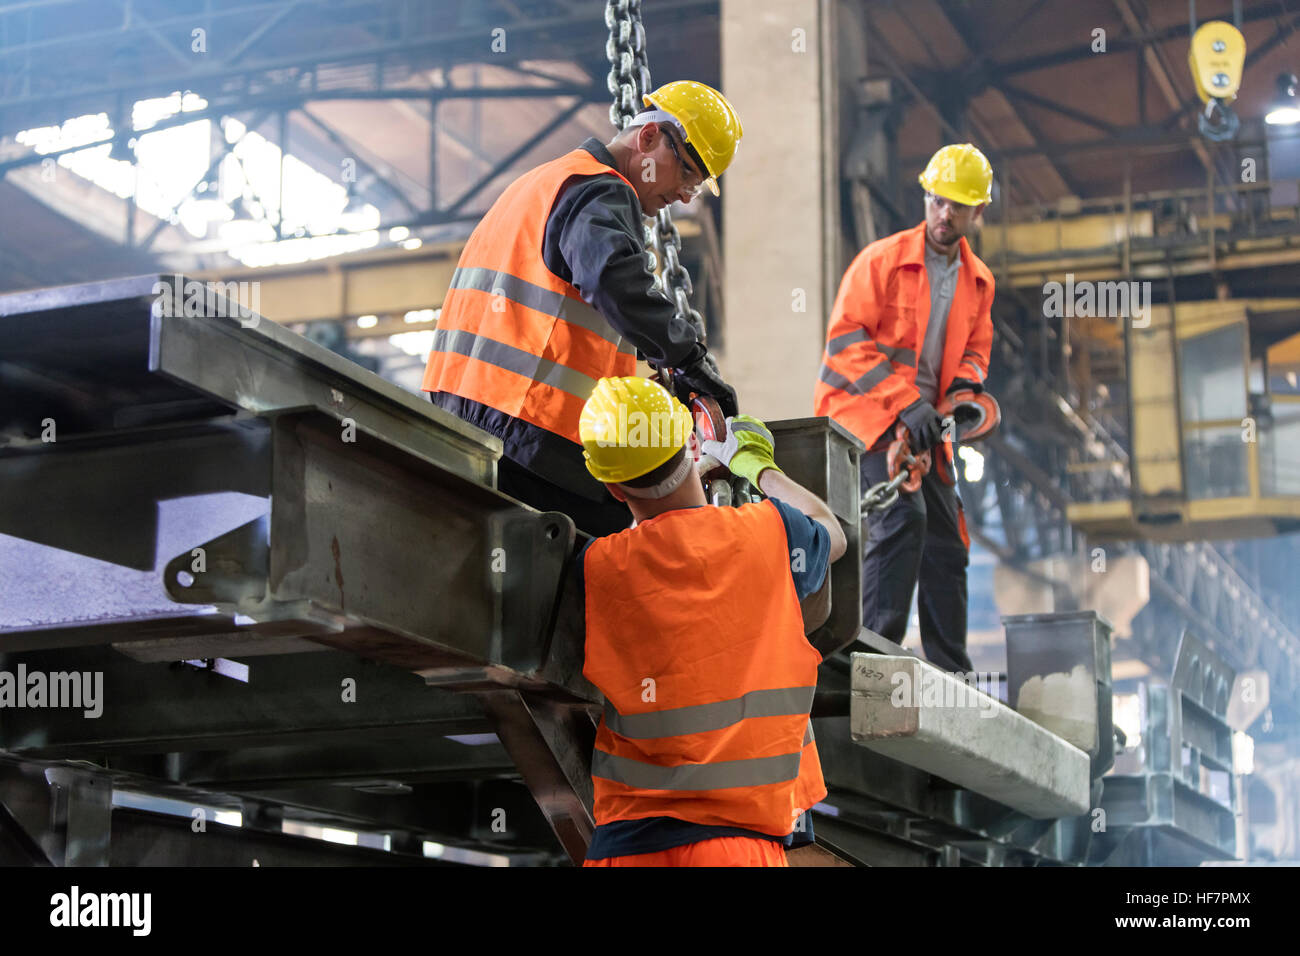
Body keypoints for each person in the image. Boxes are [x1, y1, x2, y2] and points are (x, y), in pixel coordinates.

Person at [422, 81, 743, 538]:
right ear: (649, 138)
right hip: (530, 432)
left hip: (465, 413)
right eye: (687, 172)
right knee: (601, 558)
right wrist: (689, 358)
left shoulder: (541, 183)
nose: (686, 194)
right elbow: (612, 279)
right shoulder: (600, 189)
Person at [574, 376, 847, 867]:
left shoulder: (598, 567)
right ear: (691, 442)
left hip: (627, 847)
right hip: (737, 847)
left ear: (612, 487)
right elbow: (832, 533)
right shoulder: (771, 533)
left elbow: (654, 545)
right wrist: (755, 467)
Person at [813, 143, 996, 674]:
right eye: (937, 202)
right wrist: (904, 403)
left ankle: (951, 672)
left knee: (947, 542)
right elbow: (845, 342)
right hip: (862, 415)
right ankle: (868, 656)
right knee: (900, 518)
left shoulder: (979, 283)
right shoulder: (883, 261)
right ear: (926, 197)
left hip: (924, 427)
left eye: (957, 207)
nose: (944, 214)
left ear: (976, 212)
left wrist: (961, 400)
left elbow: (975, 356)